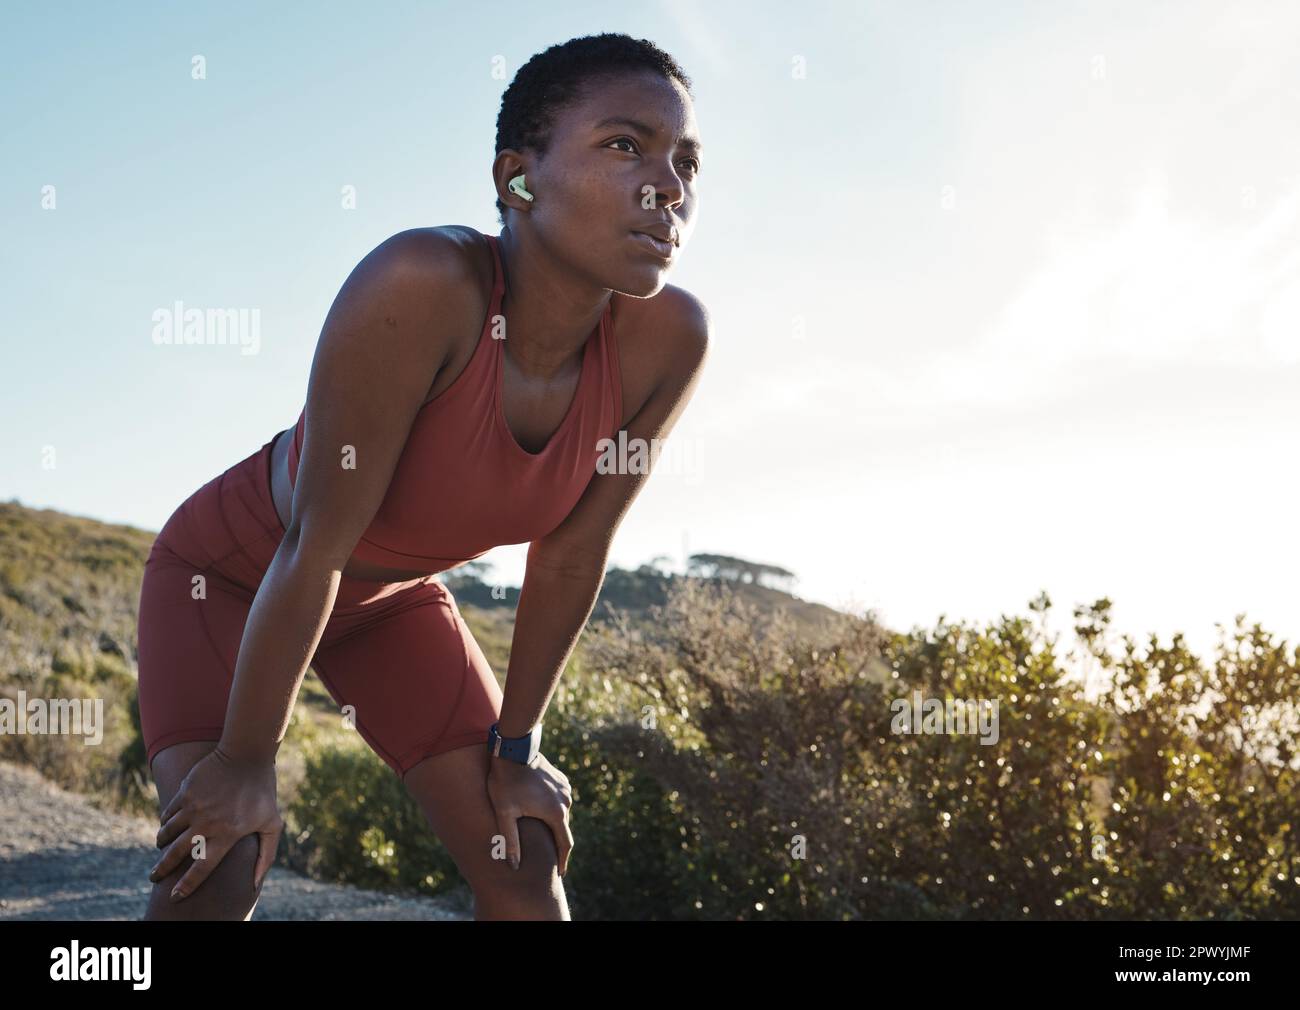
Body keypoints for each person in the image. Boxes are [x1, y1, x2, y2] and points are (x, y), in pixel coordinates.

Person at [135, 32, 709, 921]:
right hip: (238, 579)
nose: (668, 185)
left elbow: (569, 555)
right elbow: (315, 546)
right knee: (225, 859)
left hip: (391, 601)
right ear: (518, 178)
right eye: (626, 146)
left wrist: (517, 749)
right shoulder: (422, 282)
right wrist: (246, 763)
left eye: (687, 161)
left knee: (523, 870)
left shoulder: (670, 342)